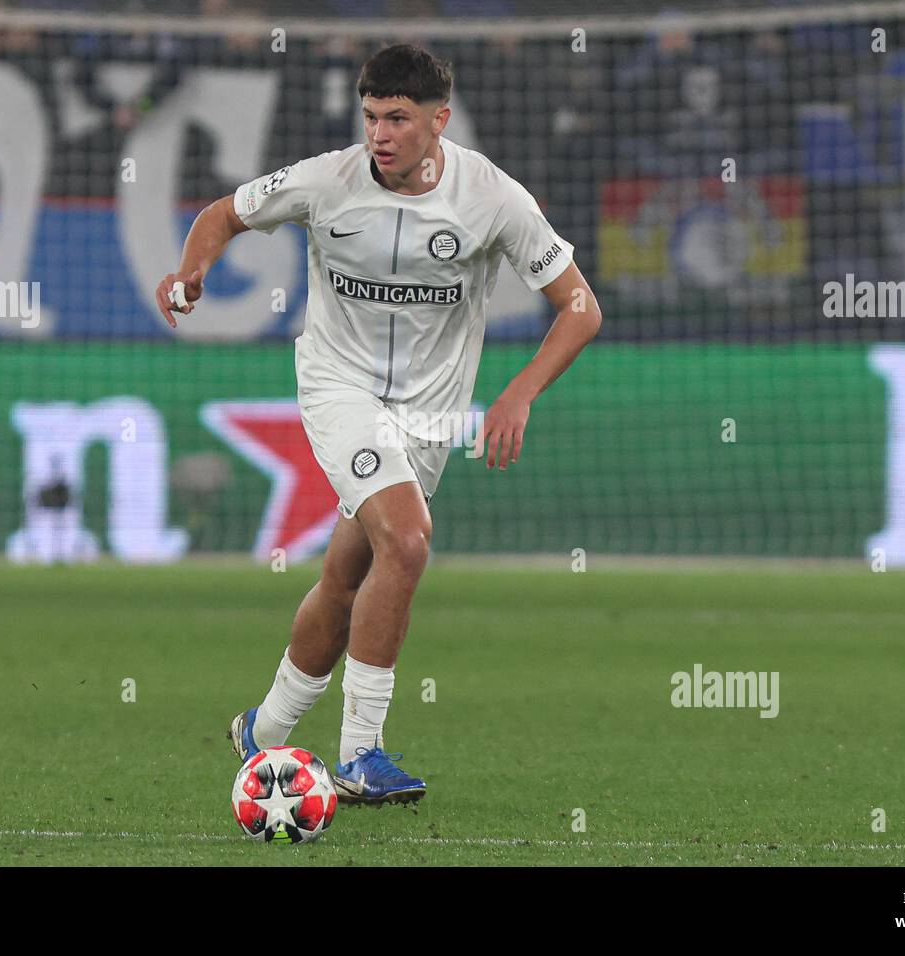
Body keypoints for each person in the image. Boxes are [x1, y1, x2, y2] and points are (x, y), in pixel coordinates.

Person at [154, 43, 601, 805]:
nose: (381, 134)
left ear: (439, 121)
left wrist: (519, 393)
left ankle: (264, 733)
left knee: (346, 577)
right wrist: (191, 268)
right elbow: (221, 214)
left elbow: (581, 306)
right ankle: (361, 754)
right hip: (339, 388)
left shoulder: (492, 197)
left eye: (397, 118)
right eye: (370, 117)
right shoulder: (325, 180)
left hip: (429, 414)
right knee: (410, 539)